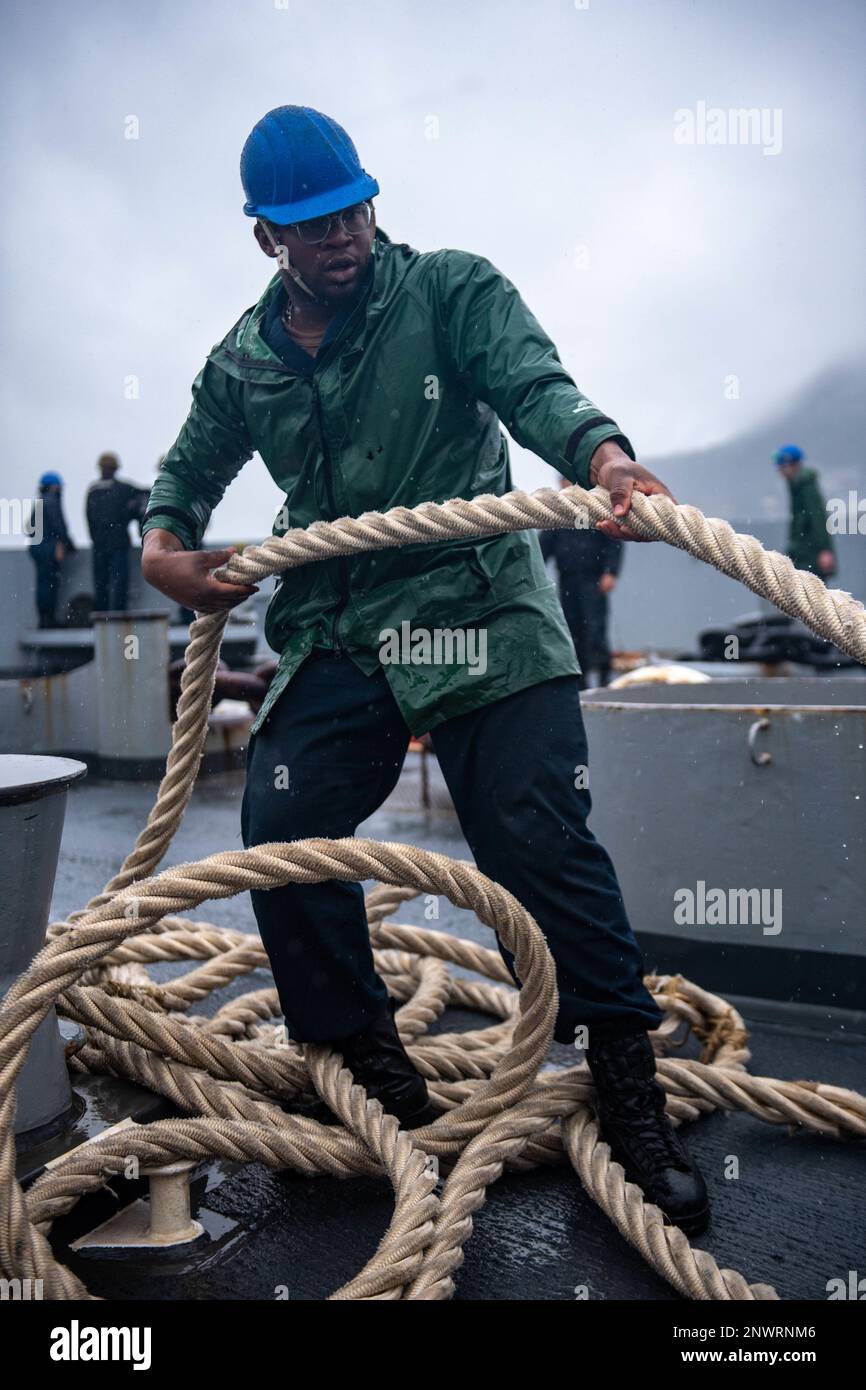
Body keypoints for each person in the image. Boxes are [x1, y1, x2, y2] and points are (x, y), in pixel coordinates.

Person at [140, 106, 709, 1235]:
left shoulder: (449, 290)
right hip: (345, 622)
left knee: (533, 831)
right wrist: (163, 549)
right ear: (267, 240)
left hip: (477, 611)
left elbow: (534, 383)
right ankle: (363, 1054)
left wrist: (601, 457)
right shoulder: (244, 361)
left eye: (350, 210)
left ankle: (622, 1080)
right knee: (277, 826)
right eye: (310, 225)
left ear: (370, 203)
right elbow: (185, 476)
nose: (340, 236)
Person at [541, 474, 623, 688]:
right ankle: (582, 679)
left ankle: (605, 675)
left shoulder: (594, 505)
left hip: (593, 579)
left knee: (595, 627)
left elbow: (612, 540)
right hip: (568, 580)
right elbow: (544, 547)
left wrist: (611, 572)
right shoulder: (558, 513)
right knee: (573, 629)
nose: (564, 485)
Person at [85, 452, 149, 613]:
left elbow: (89, 518)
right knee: (118, 580)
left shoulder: (93, 490)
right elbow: (147, 494)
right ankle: (118, 612)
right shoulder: (124, 489)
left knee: (102, 581)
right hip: (118, 542)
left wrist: (96, 537)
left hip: (100, 543)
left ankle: (103, 613)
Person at [774, 444, 836, 581]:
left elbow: (818, 517)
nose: (779, 470)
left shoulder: (806, 485)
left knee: (812, 592)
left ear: (790, 465)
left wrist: (824, 550)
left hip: (810, 554)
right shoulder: (796, 484)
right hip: (802, 553)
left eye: (781, 465)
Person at [28, 472, 75, 628]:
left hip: (38, 547)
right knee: (49, 583)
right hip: (48, 547)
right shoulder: (52, 501)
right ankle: (49, 620)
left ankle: (43, 619)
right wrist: (69, 544)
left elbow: (29, 528)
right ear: (54, 487)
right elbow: (59, 526)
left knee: (43, 582)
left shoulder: (40, 502)